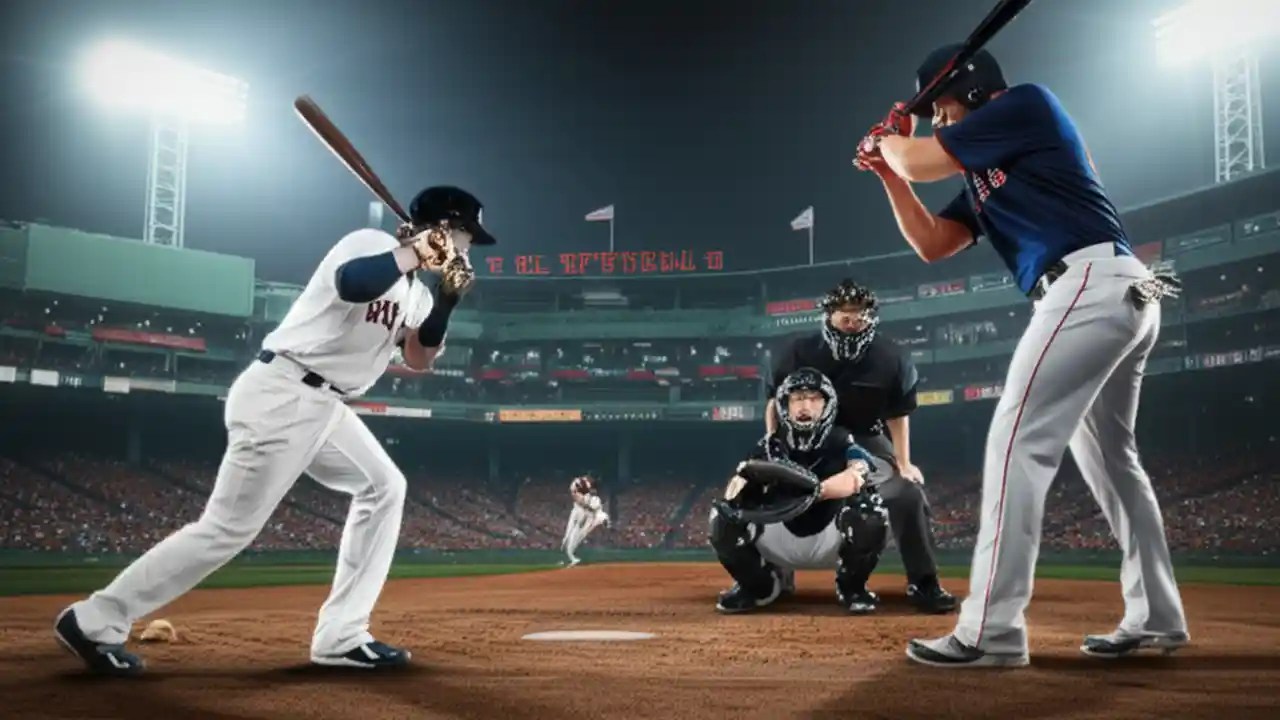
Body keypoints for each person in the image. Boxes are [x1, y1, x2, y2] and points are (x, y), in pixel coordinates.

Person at [53, 186, 496, 675]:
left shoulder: (417, 293)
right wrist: (413, 252)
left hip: (324, 405)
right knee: (227, 529)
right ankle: (94, 620)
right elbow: (352, 284)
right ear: (442, 227)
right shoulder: (371, 244)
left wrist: (446, 302)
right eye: (465, 234)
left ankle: (342, 636)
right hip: (283, 391)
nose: (468, 246)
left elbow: (419, 358)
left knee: (385, 486)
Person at [855, 44, 1187, 667]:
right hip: (1110, 291)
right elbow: (933, 242)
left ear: (974, 89)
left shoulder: (1027, 103)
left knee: (1015, 443)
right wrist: (888, 172)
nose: (938, 120)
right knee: (1113, 462)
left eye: (940, 107)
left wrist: (893, 138)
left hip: (1088, 284)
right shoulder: (986, 162)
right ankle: (1157, 615)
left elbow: (923, 160)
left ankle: (992, 631)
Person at [767, 278, 957, 614]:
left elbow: (898, 415)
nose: (852, 321)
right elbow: (774, 401)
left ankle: (923, 581)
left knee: (907, 494)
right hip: (804, 440)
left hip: (866, 439)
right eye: (844, 314)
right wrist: (772, 441)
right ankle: (771, 577)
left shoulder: (892, 357)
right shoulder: (798, 351)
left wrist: (904, 463)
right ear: (829, 315)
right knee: (770, 486)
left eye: (859, 314)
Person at [711, 367, 891, 614]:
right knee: (722, 515)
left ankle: (852, 586)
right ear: (785, 405)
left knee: (871, 512)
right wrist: (740, 487)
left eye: (814, 398)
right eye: (797, 398)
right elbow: (736, 487)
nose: (805, 406)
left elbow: (858, 473)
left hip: (829, 536)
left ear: (827, 405)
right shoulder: (769, 447)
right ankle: (758, 587)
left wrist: (817, 491)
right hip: (779, 533)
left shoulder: (841, 440)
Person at [562, 475, 610, 566]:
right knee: (569, 535)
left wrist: (603, 519)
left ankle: (571, 556)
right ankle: (569, 556)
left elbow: (597, 511)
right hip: (579, 512)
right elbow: (577, 497)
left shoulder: (595, 499)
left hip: (586, 516)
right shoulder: (584, 490)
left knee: (576, 535)